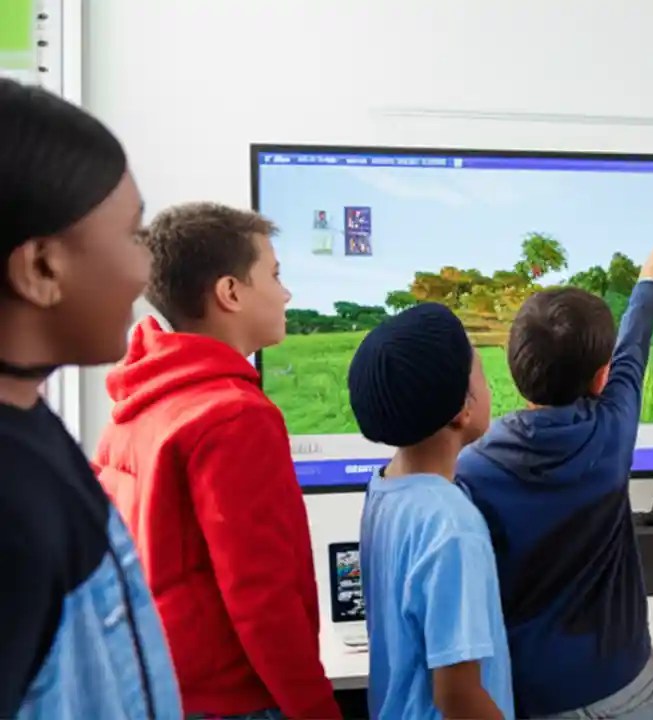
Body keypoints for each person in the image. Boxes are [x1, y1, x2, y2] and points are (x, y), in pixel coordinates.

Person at [94, 203, 340, 719]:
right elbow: (262, 595)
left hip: (167, 685)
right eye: (274, 275)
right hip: (236, 701)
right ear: (230, 293)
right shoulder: (234, 417)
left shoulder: (137, 398)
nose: (287, 293)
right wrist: (316, 708)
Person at [0, 78, 182, 718]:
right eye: (134, 235)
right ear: (41, 270)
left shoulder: (28, 421)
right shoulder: (11, 512)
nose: (144, 272)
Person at [456, 235, 653, 719]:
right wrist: (651, 279)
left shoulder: (470, 466)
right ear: (602, 379)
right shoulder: (611, 430)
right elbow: (634, 347)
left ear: (515, 368)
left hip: (530, 699)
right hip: (627, 692)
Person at [348, 303, 512, 720]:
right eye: (481, 370)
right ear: (463, 409)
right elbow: (457, 696)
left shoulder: (385, 487)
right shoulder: (452, 526)